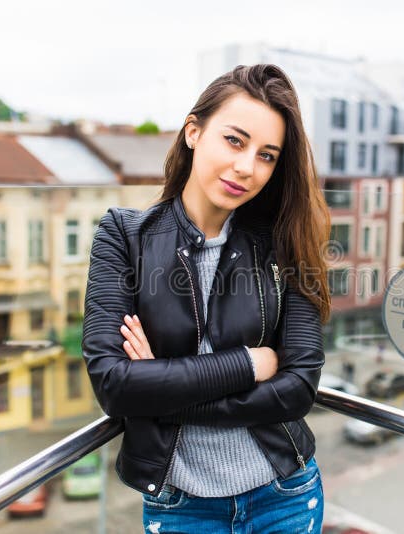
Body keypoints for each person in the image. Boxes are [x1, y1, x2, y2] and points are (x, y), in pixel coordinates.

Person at [82, 64, 331, 533]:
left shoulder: (284, 241)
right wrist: (248, 365)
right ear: (193, 131)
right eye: (235, 141)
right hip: (183, 507)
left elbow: (299, 387)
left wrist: (158, 387)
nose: (246, 167)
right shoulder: (124, 237)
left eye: (267, 156)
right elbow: (113, 385)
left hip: (286, 497)